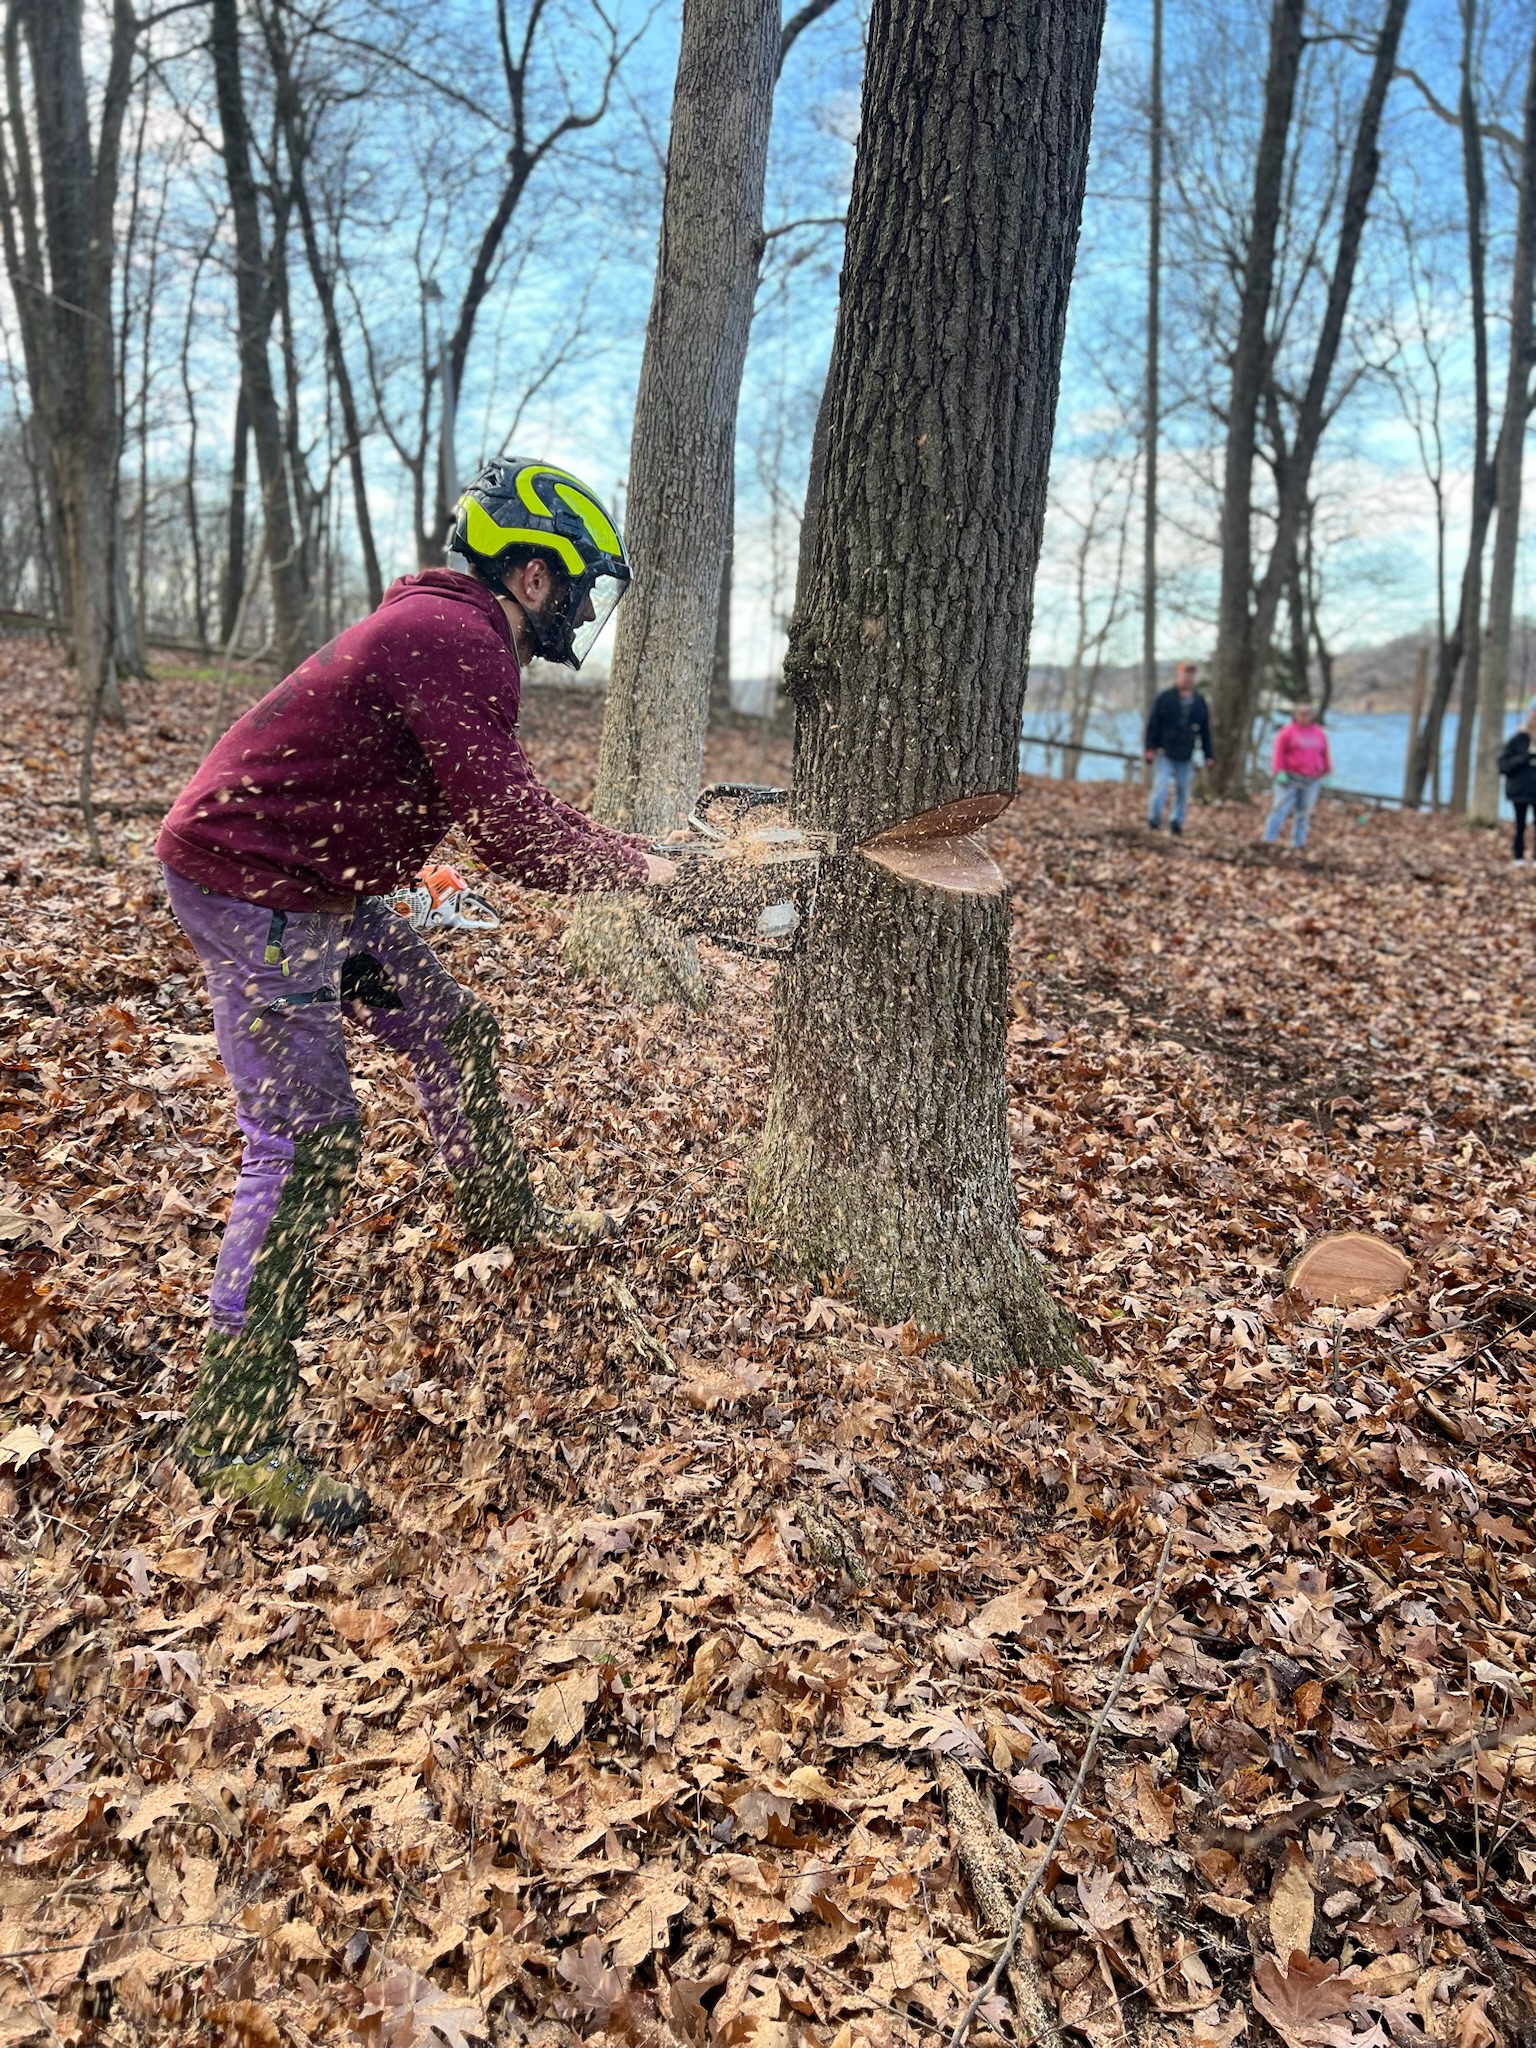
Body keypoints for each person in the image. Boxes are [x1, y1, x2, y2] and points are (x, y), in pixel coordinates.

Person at [155, 458, 676, 1536]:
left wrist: (637, 859)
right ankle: (233, 1433)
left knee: (455, 1031)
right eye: (582, 587)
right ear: (535, 575)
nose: (586, 611)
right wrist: (654, 870)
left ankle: (501, 1208)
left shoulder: (451, 632)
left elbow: (498, 810)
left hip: (319, 882)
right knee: (307, 1143)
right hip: (258, 887)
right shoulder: (451, 638)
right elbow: (514, 834)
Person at [1144, 661, 1215, 835]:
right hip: (1164, 751)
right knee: (1161, 785)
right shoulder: (1165, 698)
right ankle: (1153, 820)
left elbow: (1205, 730)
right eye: (1184, 674)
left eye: (1191, 675)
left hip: (1186, 753)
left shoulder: (1199, 702)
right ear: (1178, 675)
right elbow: (1153, 723)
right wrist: (1149, 747)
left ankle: (1176, 822)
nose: (1187, 678)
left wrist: (1208, 754)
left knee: (1183, 789)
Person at [1262, 700, 1331, 850]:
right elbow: (1278, 753)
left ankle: (1298, 843)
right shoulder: (1287, 732)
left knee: (1304, 812)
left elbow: (1324, 753)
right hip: (1289, 778)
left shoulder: (1319, 733)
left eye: (1308, 714)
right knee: (1280, 809)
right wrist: (1279, 771)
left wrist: (1327, 771)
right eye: (1301, 714)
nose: (1304, 717)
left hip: (1312, 779)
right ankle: (1268, 840)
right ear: (1295, 715)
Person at [1498, 707, 1536, 867]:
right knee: (1519, 825)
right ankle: (1518, 856)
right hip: (1519, 791)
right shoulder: (1517, 740)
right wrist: (1526, 756)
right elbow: (1504, 766)